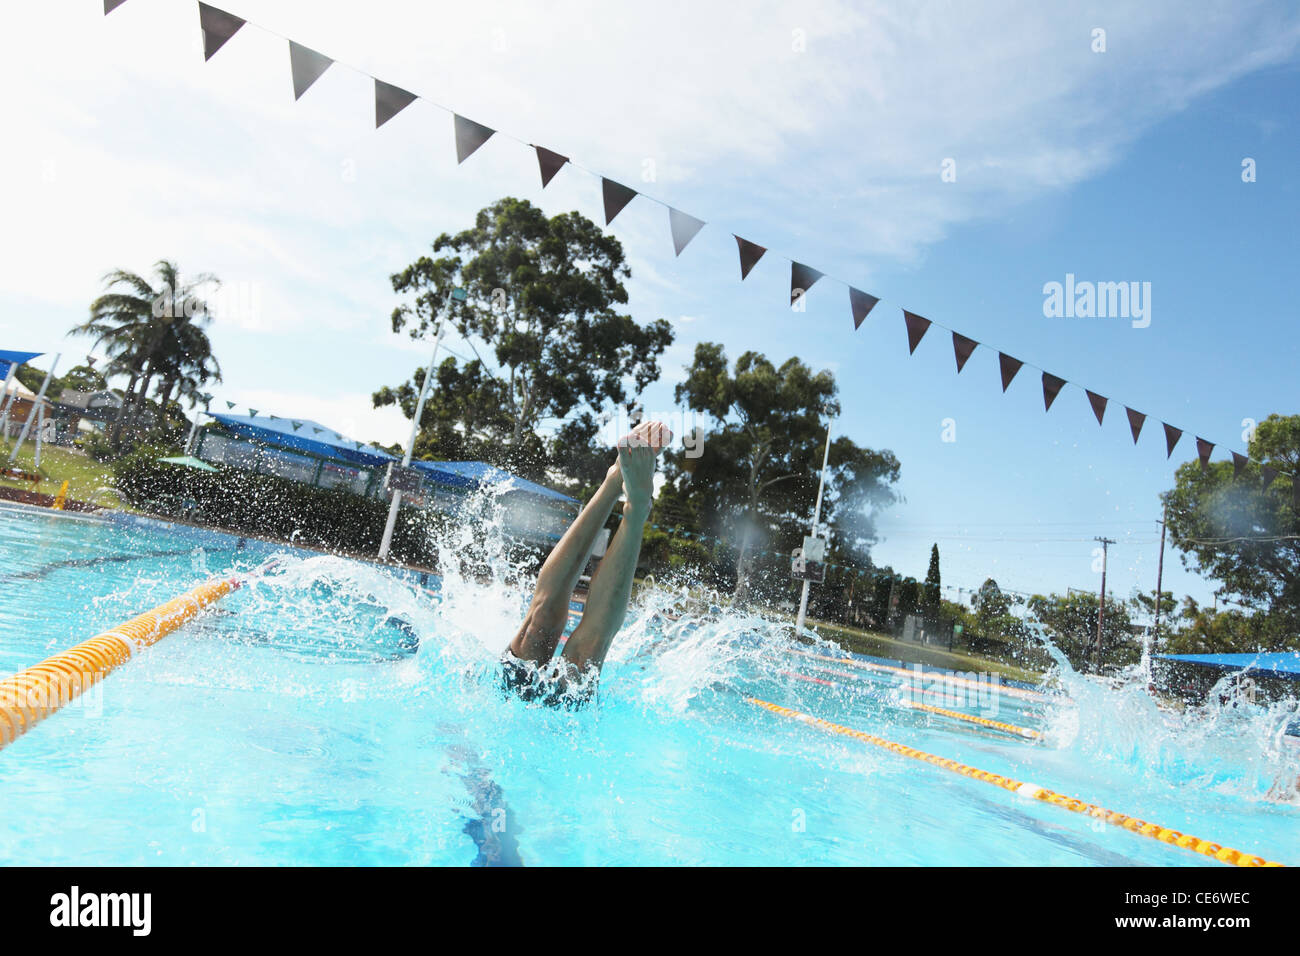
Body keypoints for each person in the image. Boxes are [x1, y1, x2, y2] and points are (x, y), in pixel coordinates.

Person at [500, 420, 671, 707]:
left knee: (548, 630)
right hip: (561, 730)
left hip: (514, 708)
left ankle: (624, 493)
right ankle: (629, 498)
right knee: (568, 644)